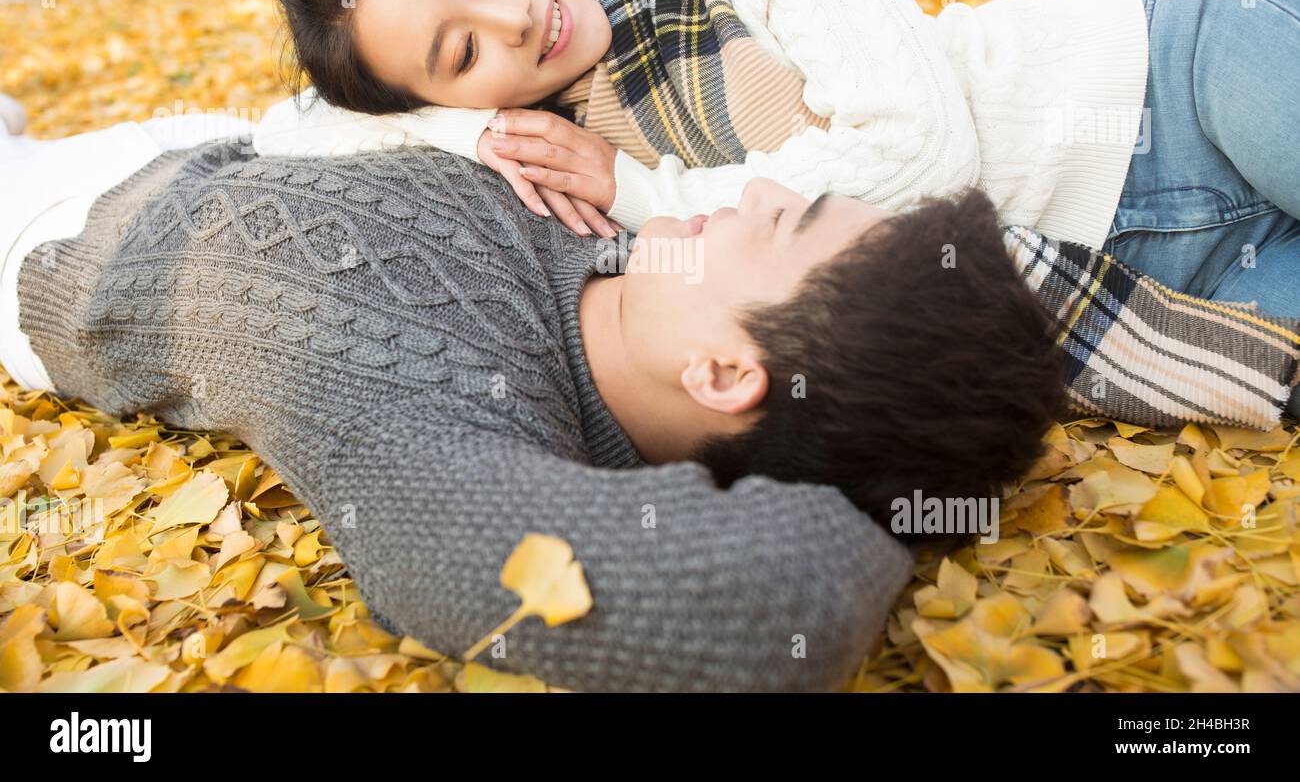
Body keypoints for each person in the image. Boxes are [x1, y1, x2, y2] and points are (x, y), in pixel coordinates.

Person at [4, 122, 1065, 691]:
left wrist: (892, 505)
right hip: (202, 141)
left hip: (60, 231)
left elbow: (784, 598)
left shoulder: (425, 416)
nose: (754, 190)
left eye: (782, 224)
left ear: (724, 372)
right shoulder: (623, 257)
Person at [258, 0, 1300, 340]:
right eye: (459, 50)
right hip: (1155, 270)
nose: (513, 17)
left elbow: (924, 157)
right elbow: (289, 136)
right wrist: (469, 124)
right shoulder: (563, 152)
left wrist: (647, 193)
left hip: (1179, 70)